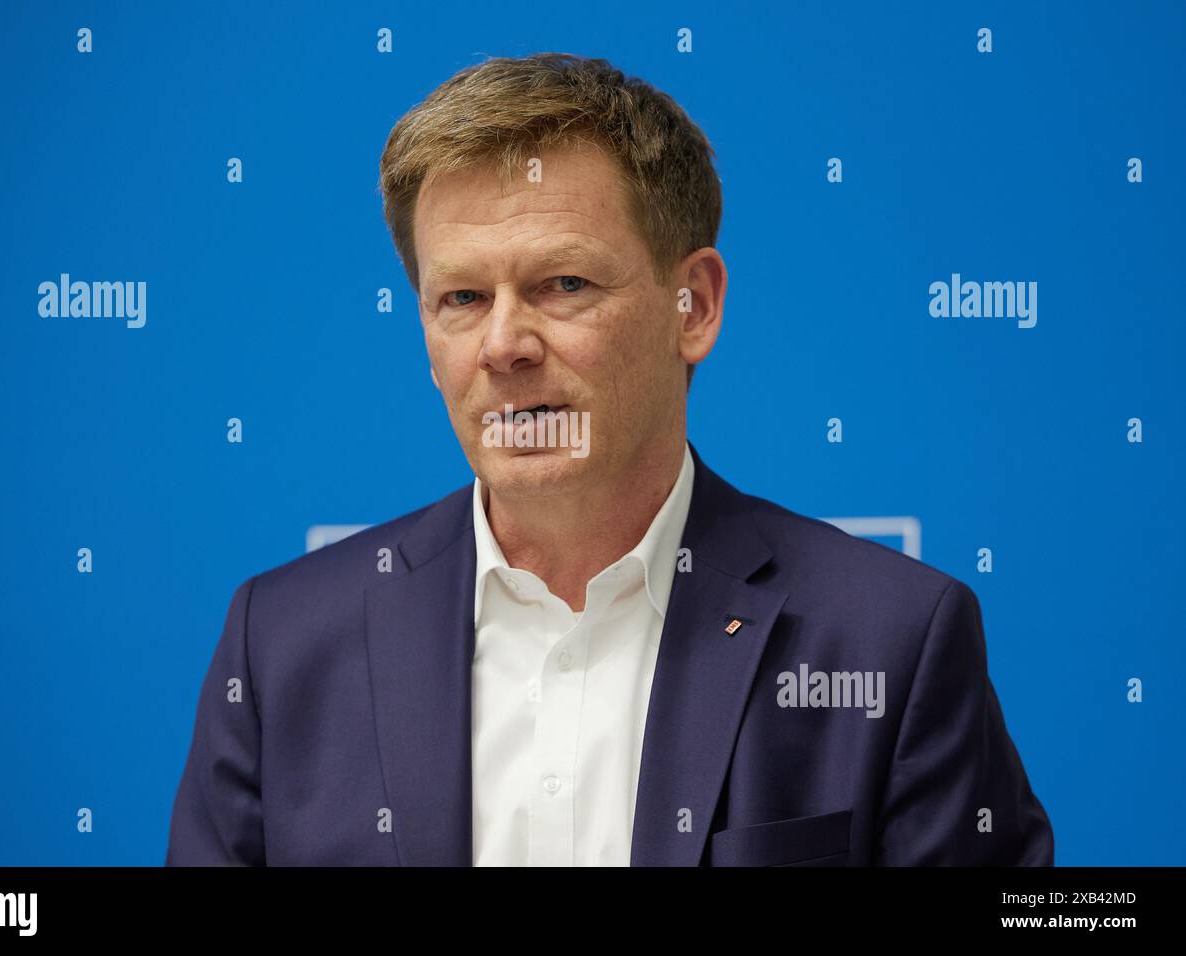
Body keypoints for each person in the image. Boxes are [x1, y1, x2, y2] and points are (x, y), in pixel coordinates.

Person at [166, 53, 1053, 866]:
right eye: (463, 298)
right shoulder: (282, 643)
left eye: (564, 285)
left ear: (693, 306)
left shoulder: (891, 639)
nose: (504, 345)